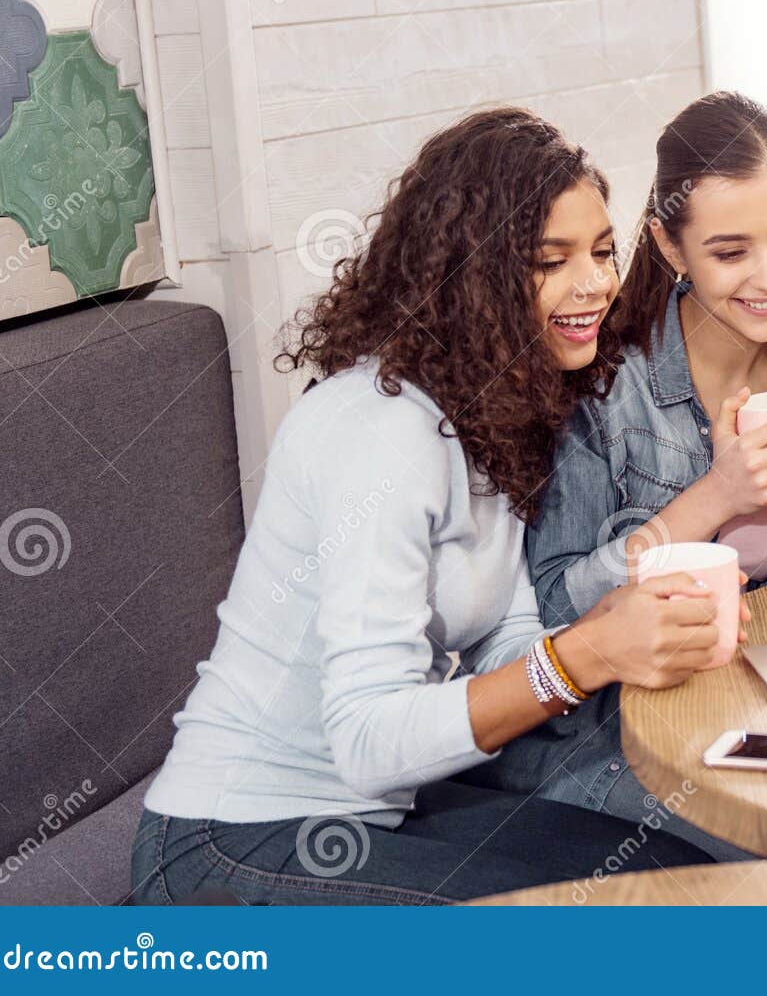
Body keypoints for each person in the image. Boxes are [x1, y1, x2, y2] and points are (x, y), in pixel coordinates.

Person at [130, 109, 726, 905]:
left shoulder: (491, 416)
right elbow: (369, 743)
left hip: (375, 815)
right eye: (552, 261)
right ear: (471, 277)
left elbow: (507, 639)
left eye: (601, 251)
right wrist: (588, 655)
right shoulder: (386, 433)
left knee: (674, 875)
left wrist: (606, 626)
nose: (595, 284)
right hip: (229, 842)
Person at [497, 92, 767, 835]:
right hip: (613, 733)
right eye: (730, 253)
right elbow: (551, 619)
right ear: (671, 248)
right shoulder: (602, 383)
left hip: (759, 701)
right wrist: (719, 494)